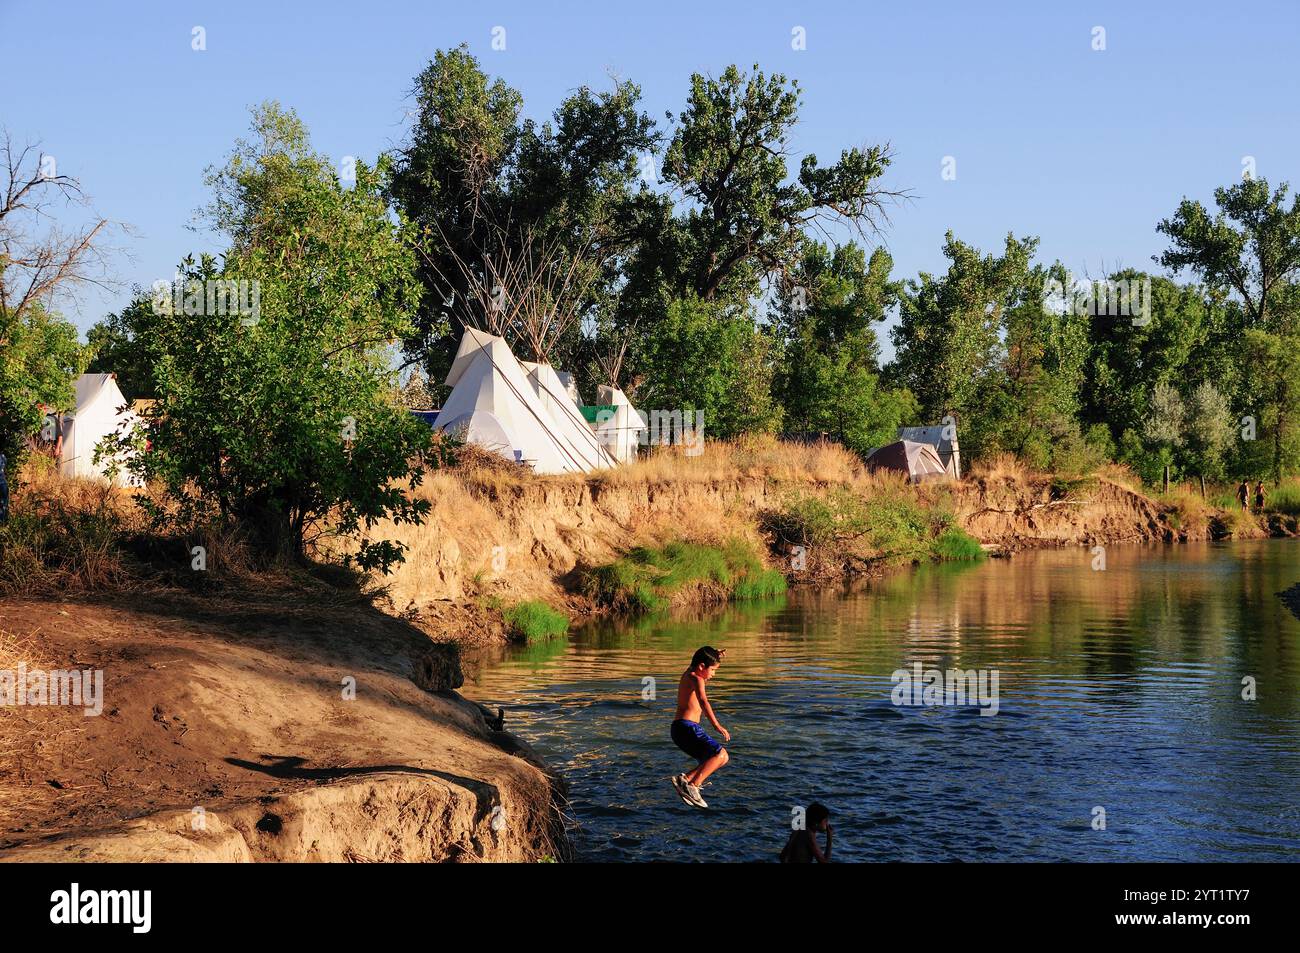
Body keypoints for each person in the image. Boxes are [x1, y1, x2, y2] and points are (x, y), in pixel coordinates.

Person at [669, 646, 730, 809]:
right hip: (686, 727)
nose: (713, 675)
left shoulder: (689, 672)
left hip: (680, 730)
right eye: (713, 670)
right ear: (702, 666)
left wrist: (714, 654)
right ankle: (693, 785)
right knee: (720, 754)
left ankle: (685, 780)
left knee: (721, 759)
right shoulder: (696, 678)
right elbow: (704, 701)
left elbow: (698, 657)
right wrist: (716, 725)